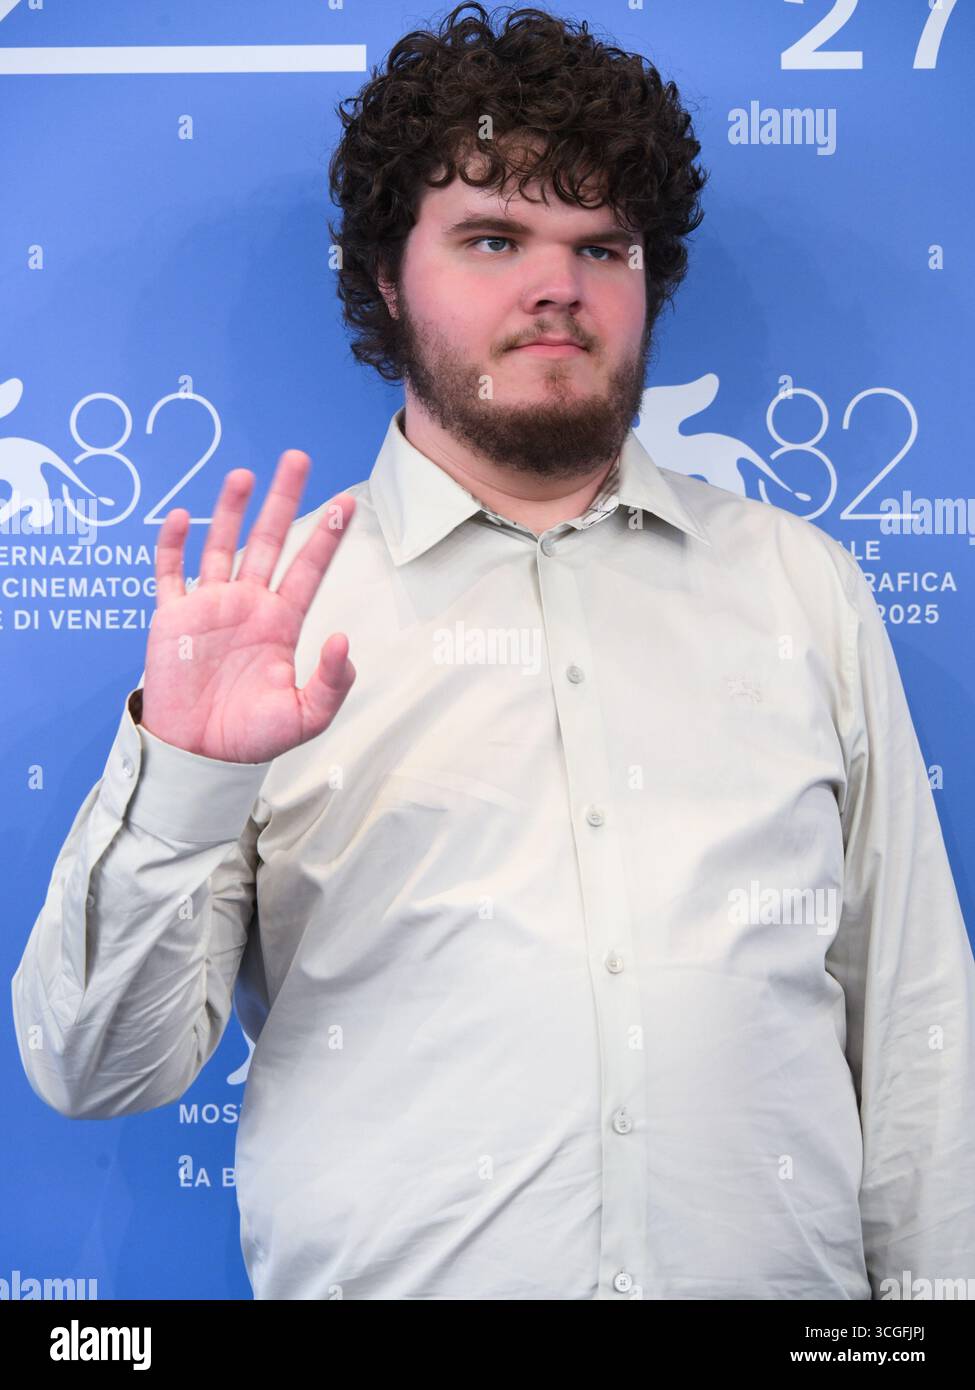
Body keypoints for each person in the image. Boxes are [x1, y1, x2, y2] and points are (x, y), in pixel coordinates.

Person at [11, 1, 975, 1301]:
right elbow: (95, 1065)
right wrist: (185, 769)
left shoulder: (802, 586)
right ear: (384, 278)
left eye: (605, 245)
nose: (558, 286)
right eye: (492, 236)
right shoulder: (277, 620)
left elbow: (920, 1033)